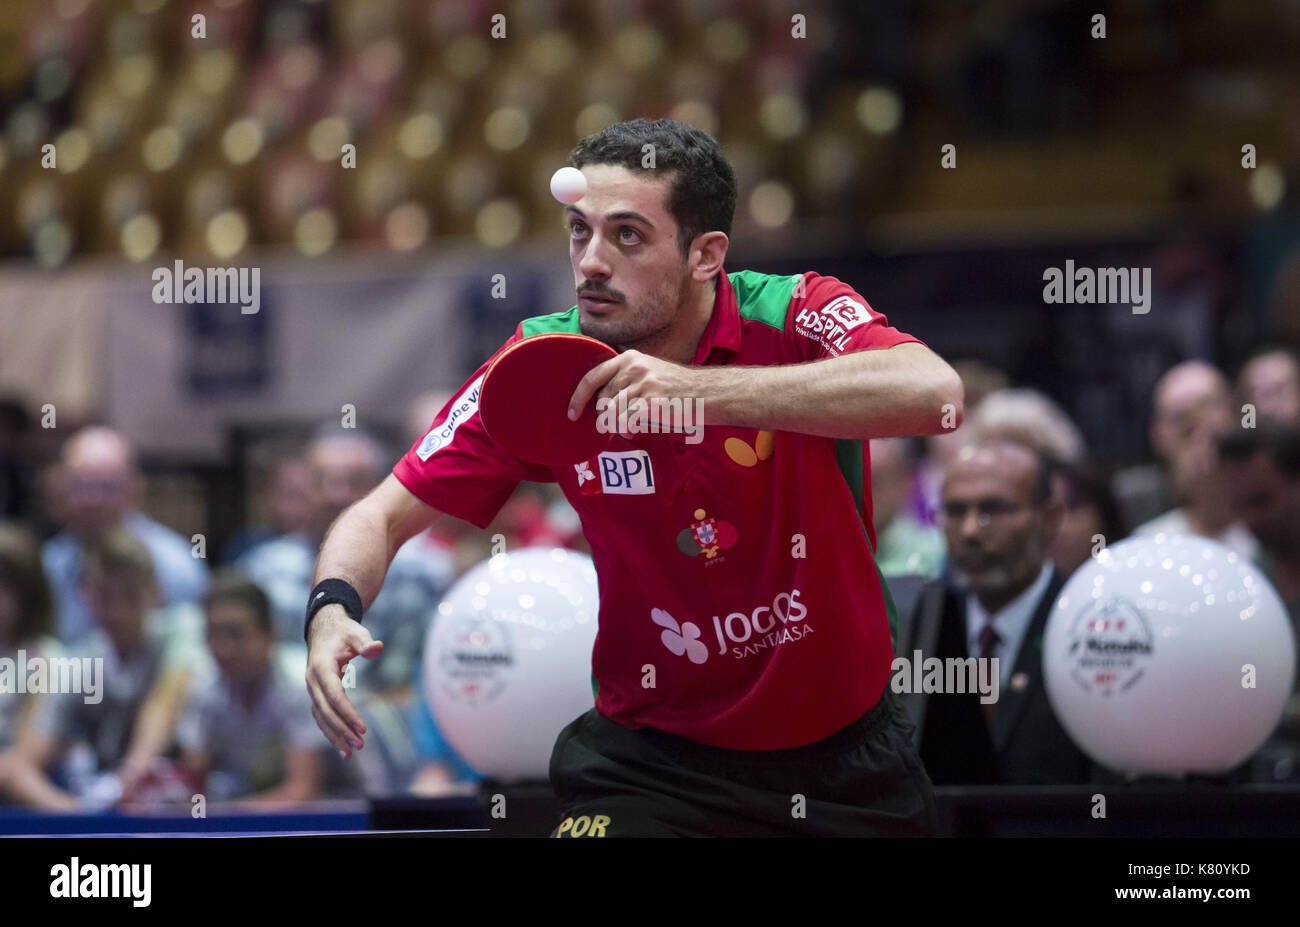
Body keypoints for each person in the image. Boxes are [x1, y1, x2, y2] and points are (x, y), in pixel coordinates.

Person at [304, 118, 965, 836]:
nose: (590, 261)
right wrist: (331, 609)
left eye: (627, 236)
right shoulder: (540, 366)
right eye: (579, 231)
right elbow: (381, 514)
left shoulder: (795, 311)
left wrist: (696, 394)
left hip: (847, 763)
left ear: (706, 253)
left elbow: (936, 392)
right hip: (652, 765)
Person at [896, 440, 1093, 785]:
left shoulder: (1088, 624)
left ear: (1049, 519)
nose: (970, 531)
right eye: (955, 512)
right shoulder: (917, 624)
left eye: (993, 510)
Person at [41, 426, 209, 644]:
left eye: (107, 486)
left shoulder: (177, 564)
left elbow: (189, 653)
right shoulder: (48, 563)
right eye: (81, 485)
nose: (93, 499)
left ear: (136, 487)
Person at [176, 571, 330, 805]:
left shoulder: (303, 685)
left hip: (343, 810)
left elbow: (302, 791)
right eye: (214, 634)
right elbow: (193, 789)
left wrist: (226, 816)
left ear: (269, 633)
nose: (224, 648)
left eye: (236, 634)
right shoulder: (203, 689)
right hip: (253, 806)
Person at [1134, 361, 1257, 559]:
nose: (1200, 424)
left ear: (1236, 413)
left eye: (1208, 404)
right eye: (1179, 417)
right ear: (1157, 435)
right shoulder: (1147, 547)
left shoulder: (1277, 528)